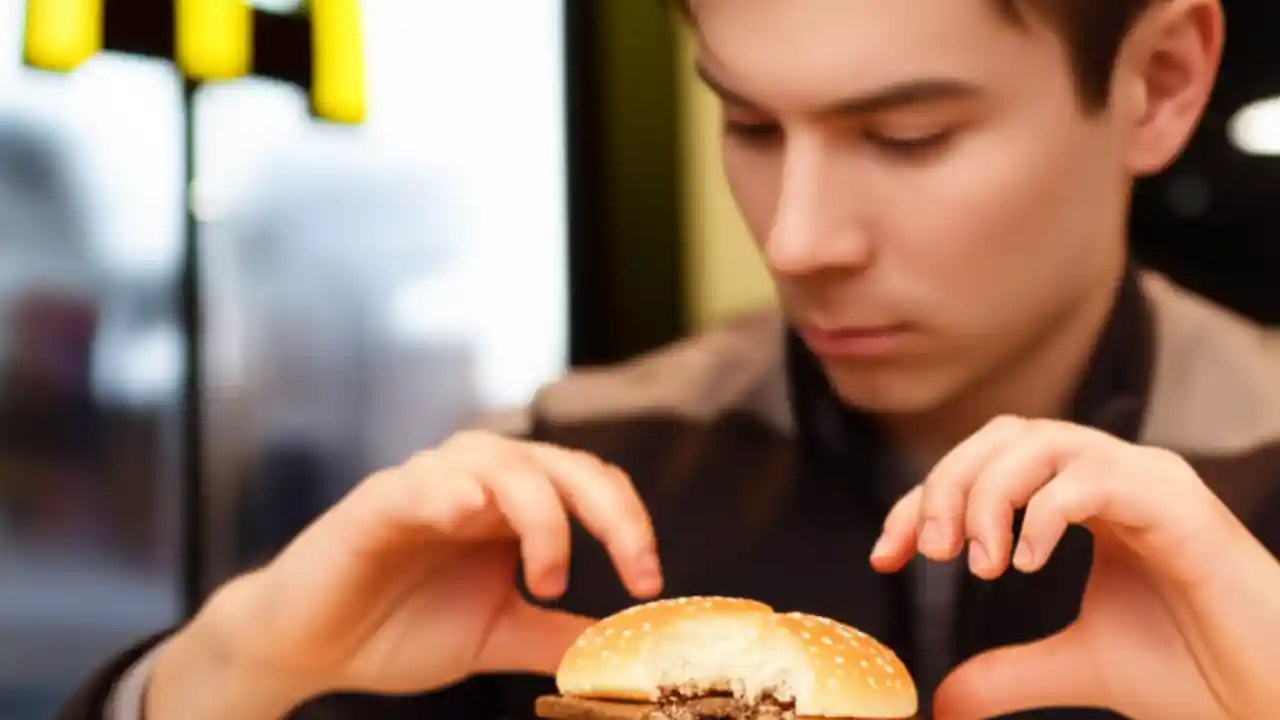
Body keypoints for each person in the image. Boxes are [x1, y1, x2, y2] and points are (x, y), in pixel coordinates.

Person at [57, 0, 1280, 718]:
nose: (793, 240)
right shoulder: (573, 468)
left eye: (906, 136)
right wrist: (233, 665)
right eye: (745, 124)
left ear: (1157, 84)